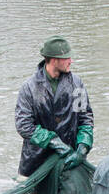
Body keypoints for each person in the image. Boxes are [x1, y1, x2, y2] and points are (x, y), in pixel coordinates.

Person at [14, 36, 94, 182]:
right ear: (53, 60)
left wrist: (83, 146)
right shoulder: (29, 88)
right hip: (35, 162)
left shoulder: (76, 83)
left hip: (69, 160)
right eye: (66, 58)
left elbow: (85, 119)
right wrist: (54, 142)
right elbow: (23, 125)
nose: (71, 61)